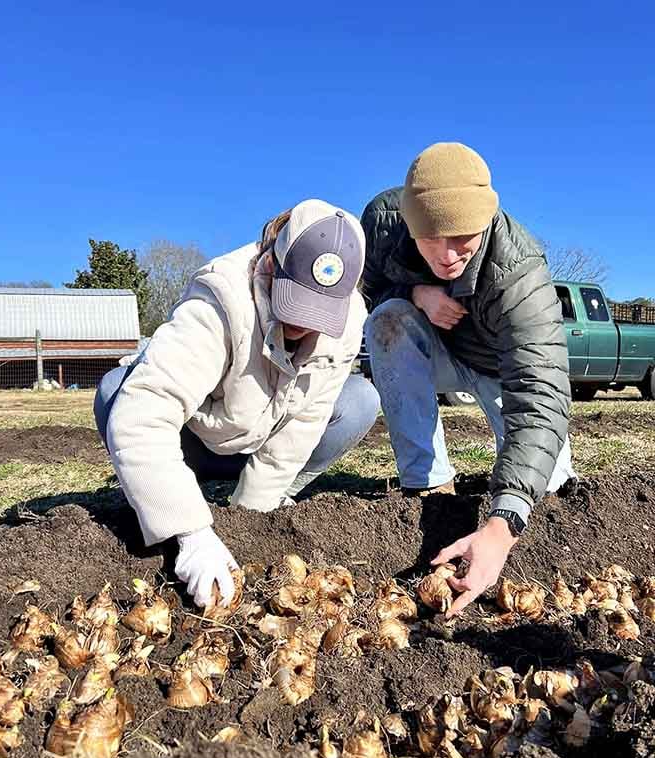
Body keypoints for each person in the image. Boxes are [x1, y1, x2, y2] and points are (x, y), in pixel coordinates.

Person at [95, 199, 379, 609]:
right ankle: (169, 493)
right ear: (271, 265)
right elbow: (143, 414)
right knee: (117, 393)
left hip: (262, 442)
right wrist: (192, 532)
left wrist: (248, 519)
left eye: (319, 311)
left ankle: (272, 495)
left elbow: (306, 421)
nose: (303, 323)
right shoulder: (221, 302)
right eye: (294, 300)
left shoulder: (349, 320)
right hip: (195, 443)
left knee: (358, 400)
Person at [361, 142, 575, 618]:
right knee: (388, 320)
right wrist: (416, 293)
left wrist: (502, 524)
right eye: (431, 238)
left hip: (498, 369)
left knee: (550, 488)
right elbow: (372, 288)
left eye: (464, 237)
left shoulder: (519, 274)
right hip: (437, 348)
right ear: (410, 223)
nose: (448, 254)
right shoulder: (380, 224)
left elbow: (540, 390)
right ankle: (428, 484)